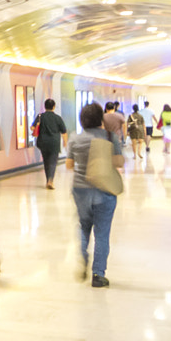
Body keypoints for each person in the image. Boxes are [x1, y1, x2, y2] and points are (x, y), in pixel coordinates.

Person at [67, 101, 122, 287]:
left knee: (83, 226)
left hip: (80, 189)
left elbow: (69, 165)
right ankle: (98, 274)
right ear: (100, 119)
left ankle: (83, 255)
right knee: (102, 233)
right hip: (104, 189)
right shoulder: (110, 137)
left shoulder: (74, 138)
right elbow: (118, 162)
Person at [34, 97, 69, 189]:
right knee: (53, 162)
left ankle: (48, 180)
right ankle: (50, 180)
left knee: (46, 162)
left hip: (43, 142)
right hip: (54, 143)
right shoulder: (58, 118)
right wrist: (65, 142)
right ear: (54, 106)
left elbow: (32, 127)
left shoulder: (40, 116)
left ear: (45, 106)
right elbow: (64, 131)